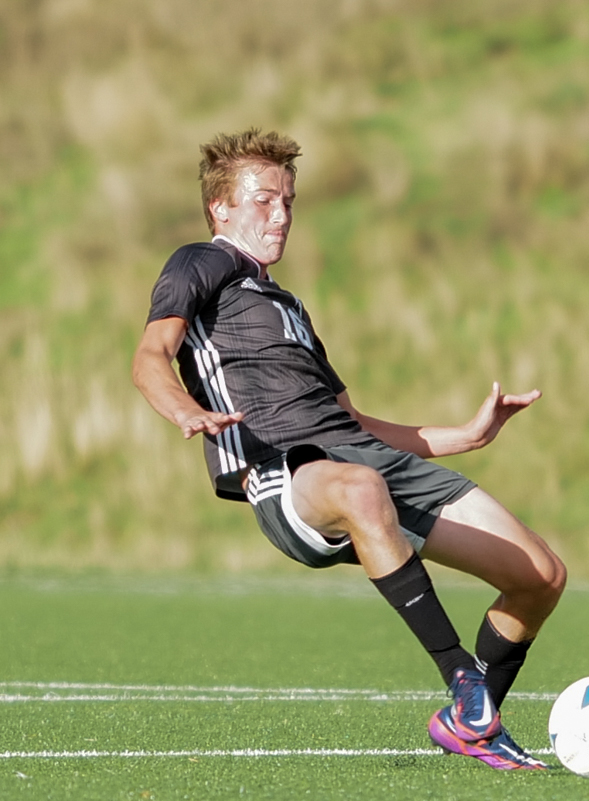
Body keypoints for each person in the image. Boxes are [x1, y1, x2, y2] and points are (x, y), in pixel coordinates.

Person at [132, 128, 565, 771]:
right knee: (361, 487)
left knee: (539, 577)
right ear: (220, 207)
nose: (280, 215)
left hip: (359, 455)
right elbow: (149, 358)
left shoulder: (290, 305)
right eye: (262, 201)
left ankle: (472, 725)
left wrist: (466, 436)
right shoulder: (200, 262)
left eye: (289, 201)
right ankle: (460, 676)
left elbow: (355, 422)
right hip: (284, 469)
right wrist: (186, 410)